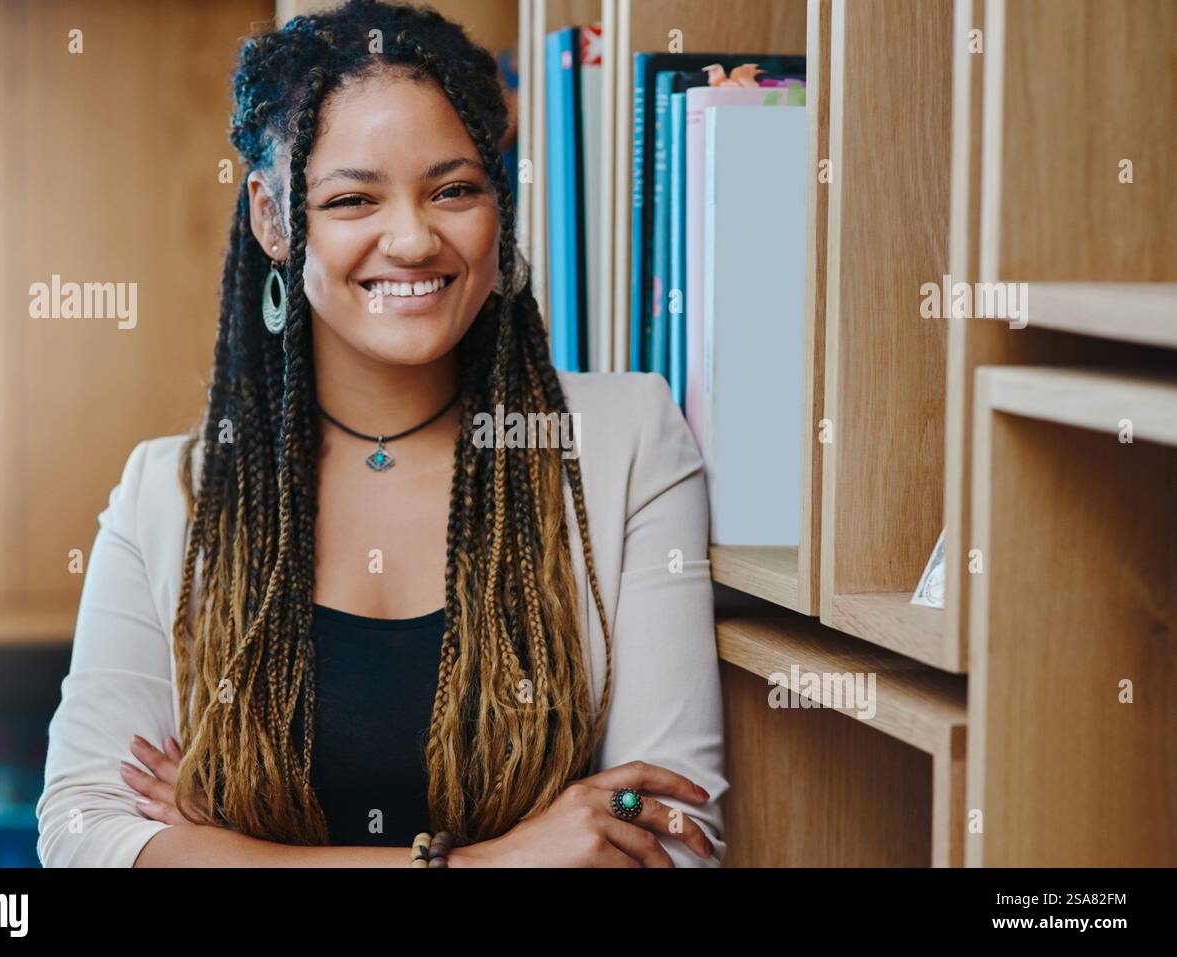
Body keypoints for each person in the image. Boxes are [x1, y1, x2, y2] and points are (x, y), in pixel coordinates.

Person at [37, 0, 726, 867]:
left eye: (454, 189)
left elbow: (669, 821)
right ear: (274, 218)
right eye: (354, 197)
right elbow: (80, 836)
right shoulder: (170, 495)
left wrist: (227, 846)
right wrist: (487, 859)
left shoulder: (629, 443)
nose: (412, 237)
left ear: (497, 199)